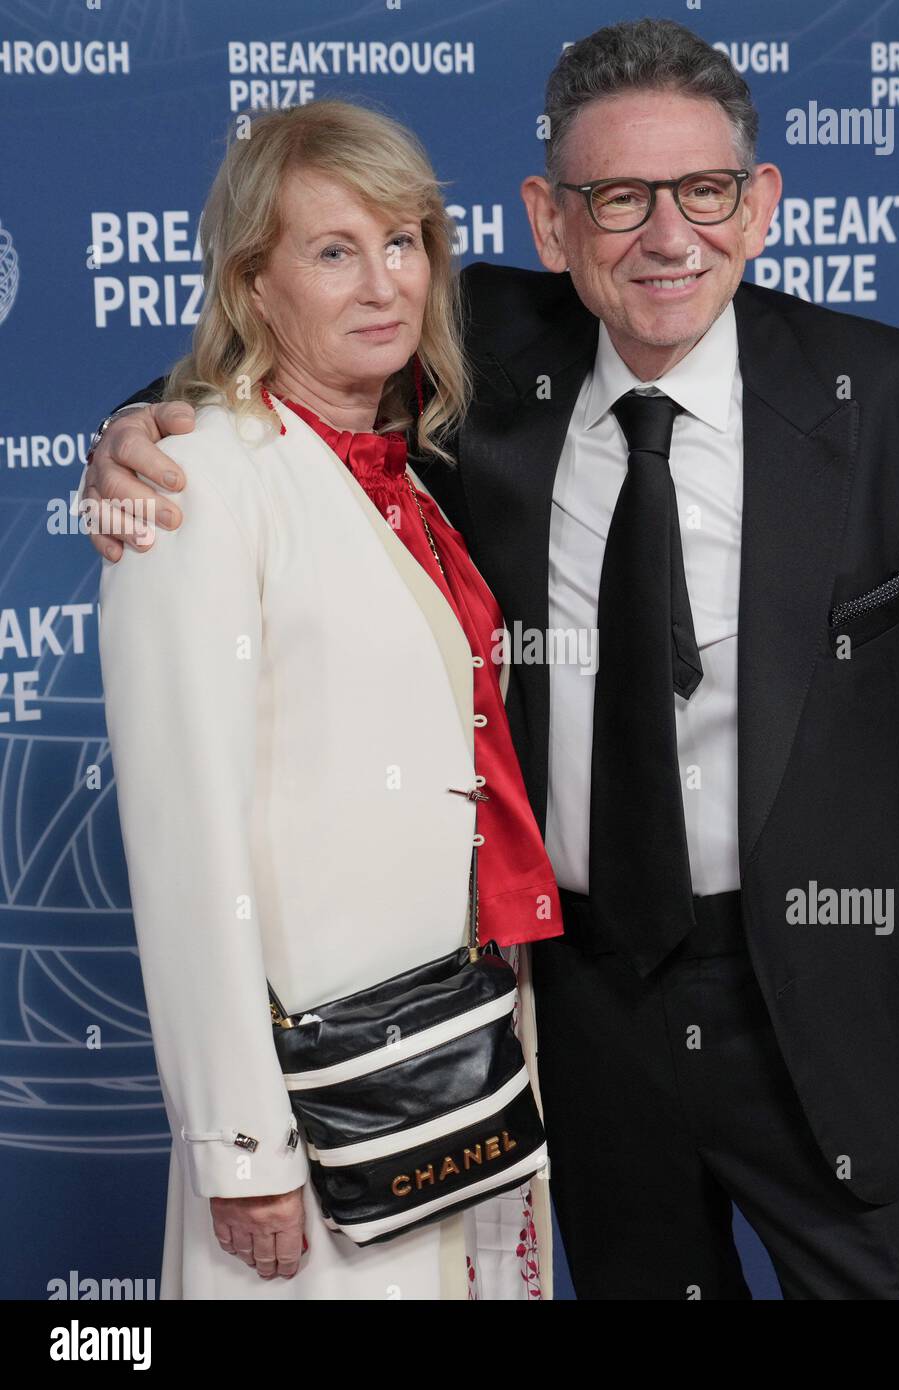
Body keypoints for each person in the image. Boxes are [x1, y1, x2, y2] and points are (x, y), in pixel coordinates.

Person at [85, 20, 899, 1300]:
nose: (665, 237)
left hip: (819, 990)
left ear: (757, 205)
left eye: (702, 191)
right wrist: (142, 424)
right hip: (568, 1010)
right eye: (616, 199)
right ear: (548, 220)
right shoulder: (486, 355)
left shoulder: (884, 390)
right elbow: (283, 375)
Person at [94, 100, 561, 1301]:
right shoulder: (191, 476)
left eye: (403, 243)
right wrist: (237, 1143)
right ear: (254, 284)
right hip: (315, 1103)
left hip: (459, 1059)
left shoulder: (411, 471)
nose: (383, 283)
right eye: (333, 250)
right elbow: (183, 836)